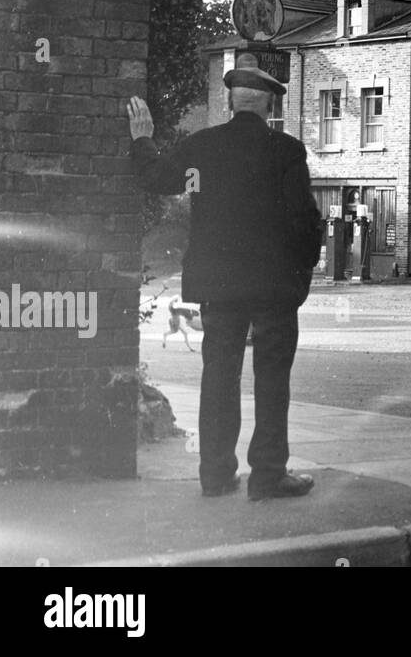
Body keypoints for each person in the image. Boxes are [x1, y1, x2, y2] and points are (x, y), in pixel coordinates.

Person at [128, 60, 322, 501]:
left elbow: (157, 178)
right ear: (270, 103)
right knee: (272, 380)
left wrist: (142, 141)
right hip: (274, 290)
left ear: (231, 101)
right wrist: (302, 272)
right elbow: (304, 222)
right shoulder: (287, 151)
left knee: (219, 377)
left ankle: (215, 475)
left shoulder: (203, 146)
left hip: (219, 287)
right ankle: (268, 475)